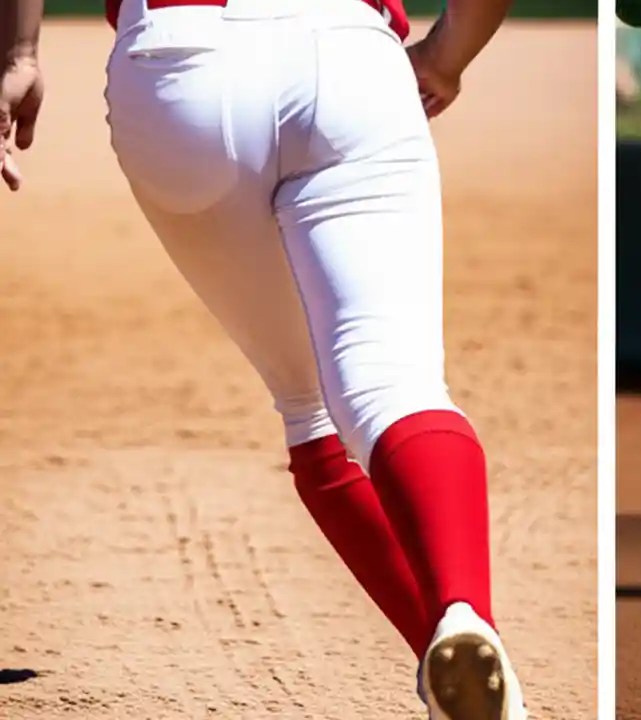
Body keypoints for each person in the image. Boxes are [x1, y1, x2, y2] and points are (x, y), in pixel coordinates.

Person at [0, 0, 526, 717]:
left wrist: (20, 55)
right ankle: (464, 616)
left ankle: (449, 655)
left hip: (177, 63)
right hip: (348, 54)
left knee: (311, 411)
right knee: (393, 382)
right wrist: (449, 54)